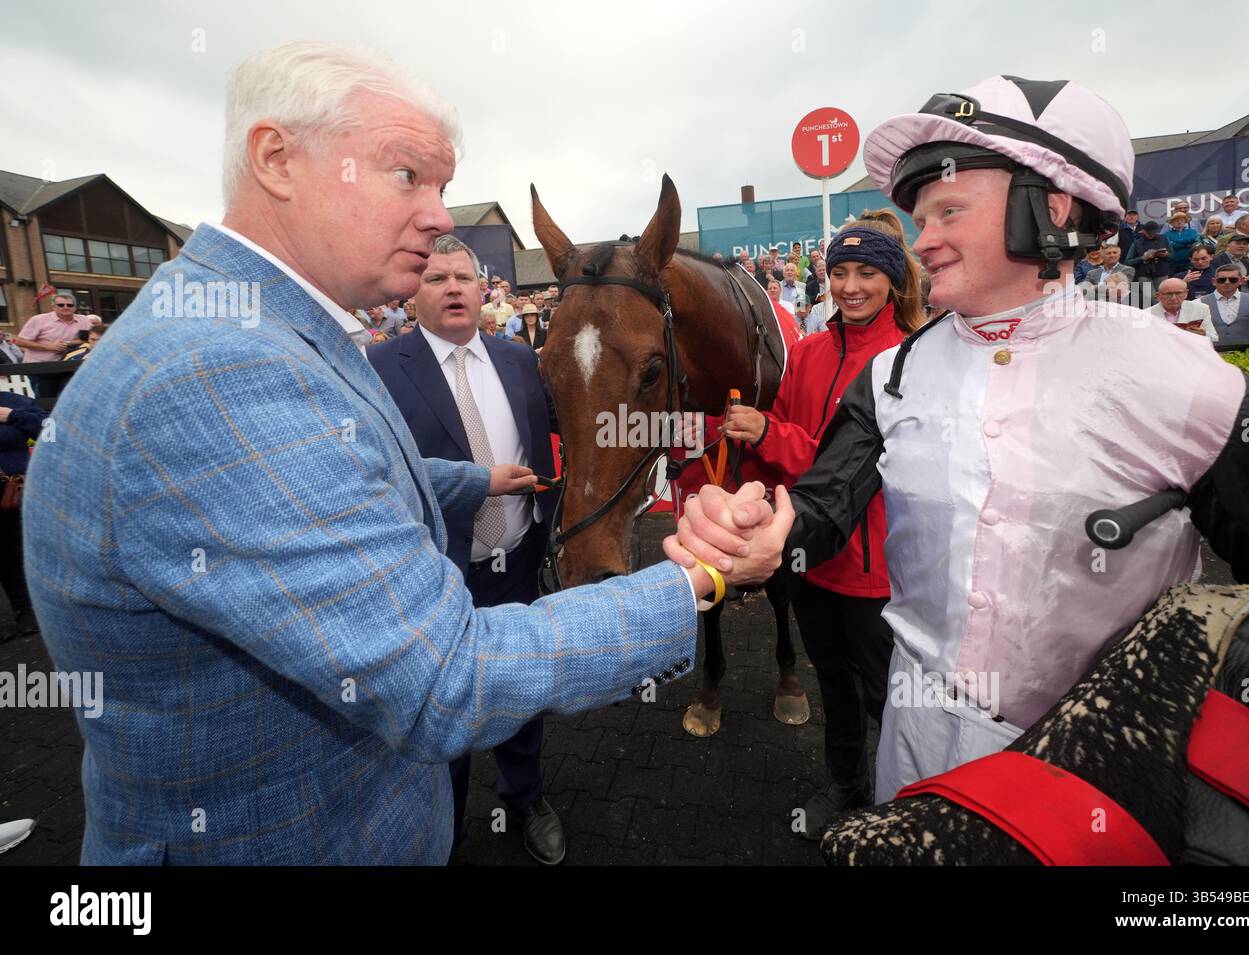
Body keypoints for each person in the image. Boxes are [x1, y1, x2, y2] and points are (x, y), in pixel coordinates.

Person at [25, 41, 790, 866]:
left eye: (444, 187)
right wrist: (697, 579)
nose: (439, 217)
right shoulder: (218, 371)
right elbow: (443, 678)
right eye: (407, 176)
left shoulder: (256, 333)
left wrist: (476, 478)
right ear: (277, 159)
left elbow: (329, 484)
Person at [667, 74, 1249, 803]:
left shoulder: (1195, 386)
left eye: (946, 212)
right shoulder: (891, 376)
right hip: (912, 763)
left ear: (1051, 208)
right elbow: (824, 503)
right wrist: (768, 533)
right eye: (919, 217)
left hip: (1103, 789)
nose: (921, 240)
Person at [719, 219, 922, 839]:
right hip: (809, 563)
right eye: (839, 273)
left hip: (877, 571)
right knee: (831, 684)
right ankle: (846, 787)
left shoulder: (912, 358)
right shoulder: (805, 353)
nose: (850, 286)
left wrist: (772, 435)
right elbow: (774, 452)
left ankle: (903, 806)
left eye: (866, 273)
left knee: (886, 700)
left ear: (893, 280)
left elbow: (861, 469)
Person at [368, 234, 563, 864]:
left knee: (519, 685)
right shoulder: (378, 369)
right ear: (413, 292)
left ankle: (525, 793)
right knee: (438, 703)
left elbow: (575, 424)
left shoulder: (520, 359)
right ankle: (444, 829)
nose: (452, 288)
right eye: (436, 279)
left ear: (484, 289)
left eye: (464, 277)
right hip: (433, 574)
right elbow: (374, 469)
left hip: (520, 557)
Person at [0, 390, 49, 639]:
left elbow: (53, 431)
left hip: (14, 493)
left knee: (15, 553)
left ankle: (25, 609)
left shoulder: (11, 402)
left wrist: (13, 416)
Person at [12, 293, 94, 396]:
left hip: (68, 367)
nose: (65, 307)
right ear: (53, 307)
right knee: (45, 401)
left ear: (75, 308)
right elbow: (20, 341)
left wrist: (68, 343)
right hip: (41, 368)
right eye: (61, 305)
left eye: (69, 305)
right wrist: (49, 347)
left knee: (67, 399)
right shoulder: (38, 320)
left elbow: (90, 340)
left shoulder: (84, 320)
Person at [1198, 261, 1249, 341]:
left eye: (1233, 280)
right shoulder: (1199, 302)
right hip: (1210, 350)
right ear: (1214, 281)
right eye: (1222, 280)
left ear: (1241, 281)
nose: (1227, 282)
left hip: (1247, 351)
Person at [1149, 277, 1213, 339]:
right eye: (1168, 294)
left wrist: (1204, 334)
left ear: (1186, 293)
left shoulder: (1201, 309)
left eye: (1178, 293)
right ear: (1158, 296)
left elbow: (1214, 337)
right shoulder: (1147, 314)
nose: (1173, 298)